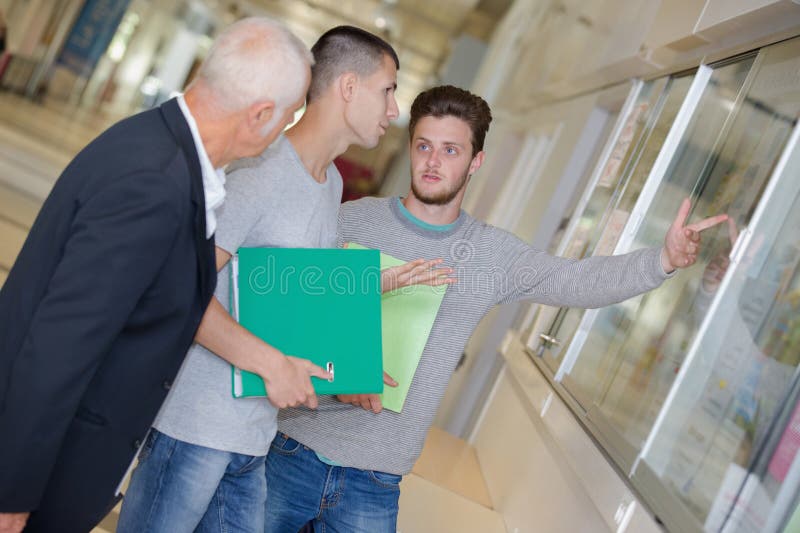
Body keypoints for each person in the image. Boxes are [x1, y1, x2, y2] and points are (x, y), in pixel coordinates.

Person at [267, 85, 730, 533]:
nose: (432, 161)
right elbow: (285, 313)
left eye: (451, 150)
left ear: (476, 162)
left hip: (375, 479)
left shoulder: (491, 256)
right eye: (424, 145)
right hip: (291, 448)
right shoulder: (352, 220)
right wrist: (340, 371)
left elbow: (576, 281)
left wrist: (662, 259)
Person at [117, 26, 451, 533]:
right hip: (196, 428)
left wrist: (353, 362)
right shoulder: (260, 172)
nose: (392, 109)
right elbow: (183, 292)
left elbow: (292, 297)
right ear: (348, 87)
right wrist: (273, 365)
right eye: (387, 90)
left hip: (254, 437)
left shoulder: (330, 182)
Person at [0, 17, 313, 533]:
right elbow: (61, 342)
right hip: (38, 472)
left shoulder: (162, 150)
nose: (286, 128)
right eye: (289, 113)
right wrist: (12, 490)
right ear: (260, 115)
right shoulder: (155, 184)